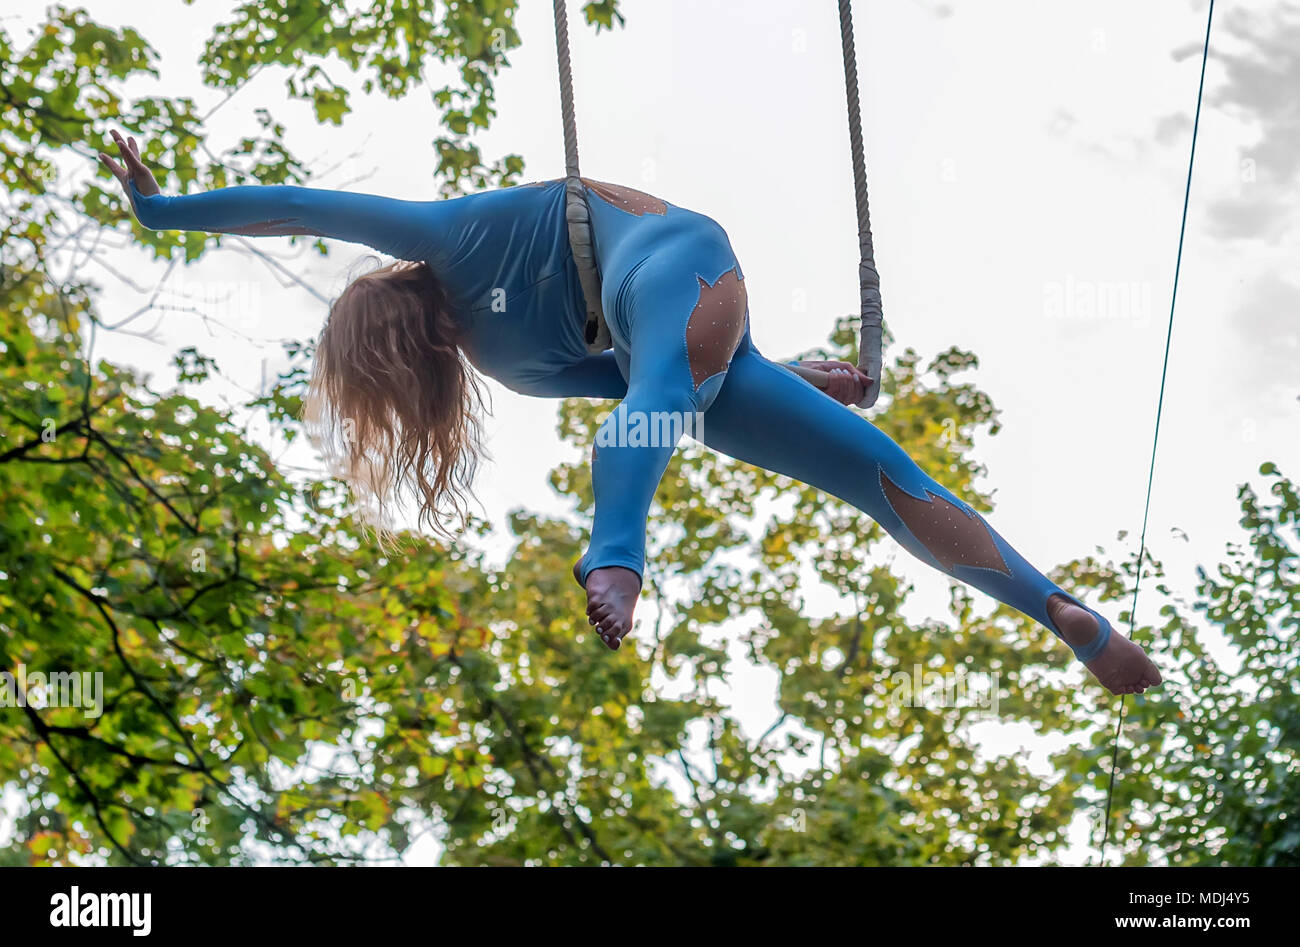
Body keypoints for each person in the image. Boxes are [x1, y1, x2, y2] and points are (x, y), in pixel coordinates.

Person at [98, 129, 1161, 695]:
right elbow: (674, 379)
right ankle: (1063, 611)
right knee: (878, 479)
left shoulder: (451, 240)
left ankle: (616, 551)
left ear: (399, 346)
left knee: (662, 412)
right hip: (690, 300)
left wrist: (163, 211)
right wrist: (786, 375)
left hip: (665, 277)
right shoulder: (506, 351)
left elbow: (293, 210)